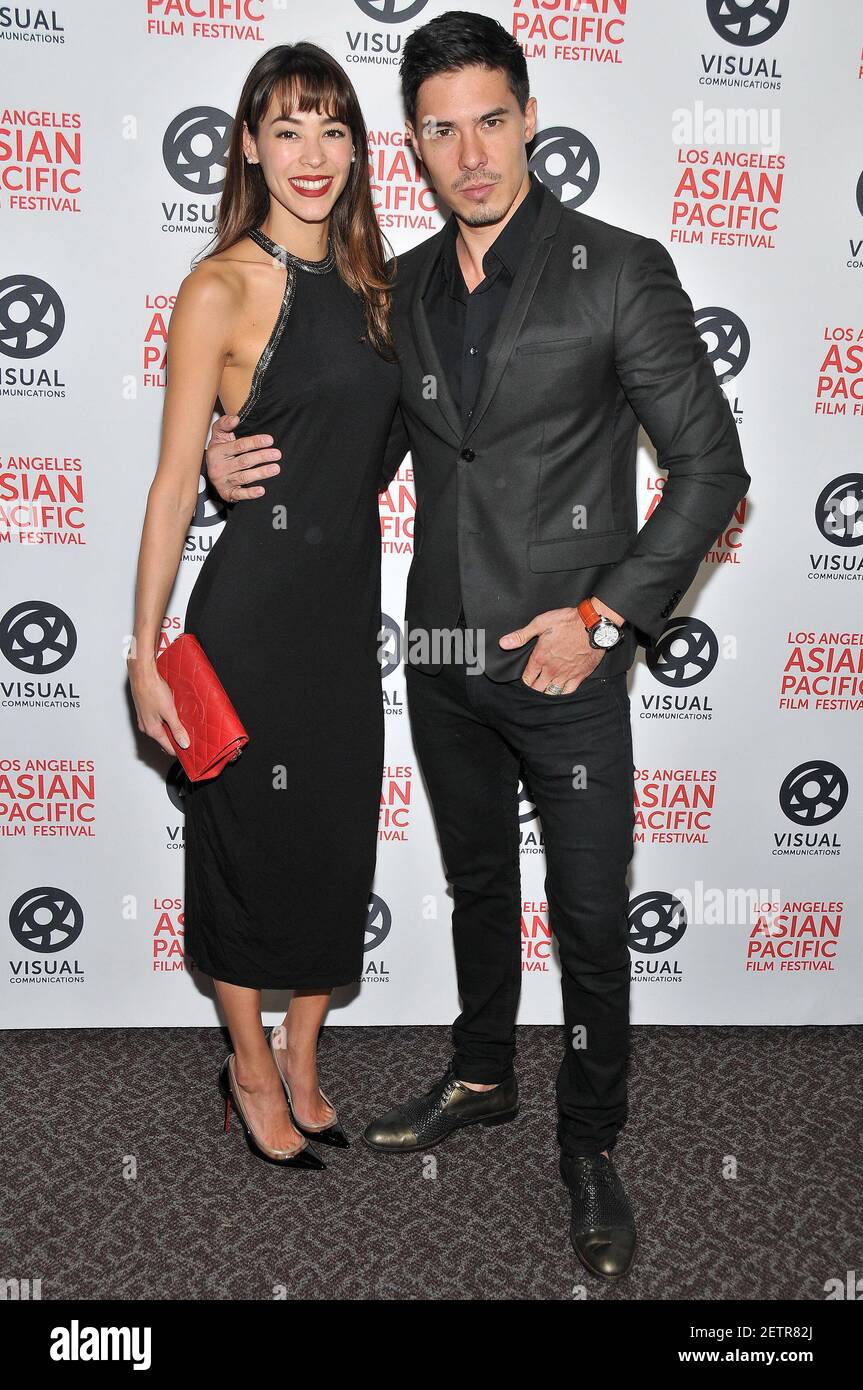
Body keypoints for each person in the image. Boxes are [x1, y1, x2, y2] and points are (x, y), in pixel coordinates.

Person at [203, 11, 750, 1274]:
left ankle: (591, 1141)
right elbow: (361, 450)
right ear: (414, 145)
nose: (470, 153)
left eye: (490, 120)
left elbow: (710, 469)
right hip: (442, 653)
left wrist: (604, 615)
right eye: (440, 129)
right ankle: (478, 1071)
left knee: (594, 916)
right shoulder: (394, 287)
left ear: (529, 119)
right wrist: (238, 454)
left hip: (565, 664)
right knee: (475, 890)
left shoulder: (616, 267)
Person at [127, 43, 401, 1169]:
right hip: (247, 619)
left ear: (355, 150)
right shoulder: (221, 287)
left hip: (341, 616)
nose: (311, 155)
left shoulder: (382, 284)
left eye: (332, 129)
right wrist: (143, 652)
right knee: (242, 846)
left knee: (333, 841)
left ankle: (302, 1055)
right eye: (286, 129)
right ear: (246, 143)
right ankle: (246, 1068)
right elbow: (167, 475)